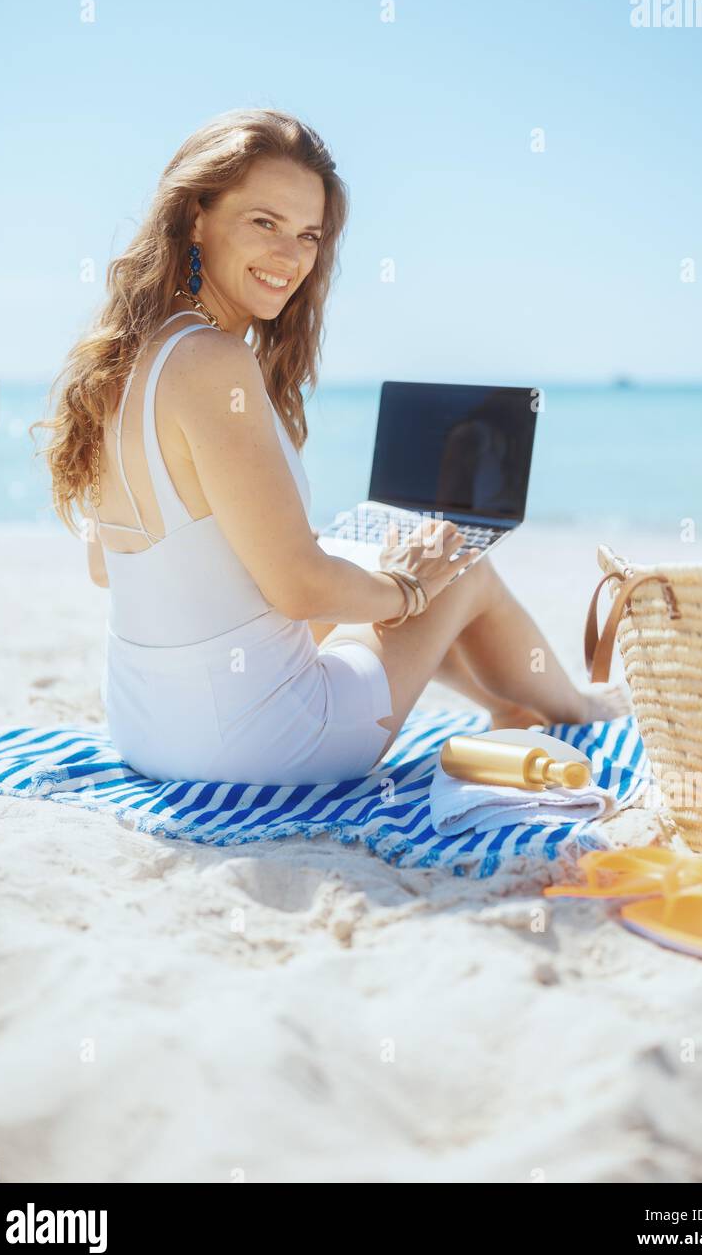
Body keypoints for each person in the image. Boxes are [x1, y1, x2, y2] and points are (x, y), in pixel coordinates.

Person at [36, 108, 627, 785]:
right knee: (459, 566)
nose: (290, 258)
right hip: (257, 743)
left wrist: (313, 555)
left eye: (308, 235)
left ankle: (507, 703)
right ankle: (578, 710)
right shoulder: (214, 361)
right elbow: (298, 590)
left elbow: (109, 565)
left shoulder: (128, 356)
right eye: (265, 222)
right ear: (196, 216)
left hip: (146, 726)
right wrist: (409, 589)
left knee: (380, 564)